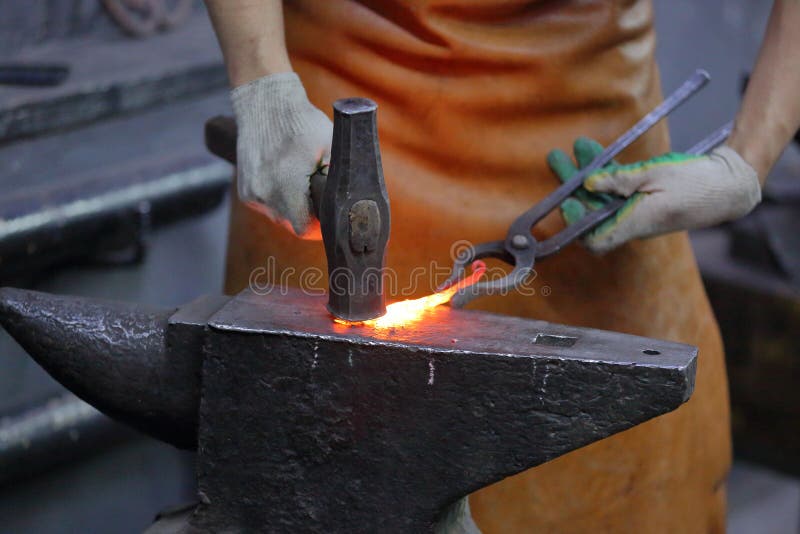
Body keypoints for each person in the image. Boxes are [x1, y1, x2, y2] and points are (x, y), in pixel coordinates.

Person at [204, 1, 800, 531]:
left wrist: (749, 158)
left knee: (644, 465)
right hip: (332, 128)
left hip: (587, 147)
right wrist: (262, 84)